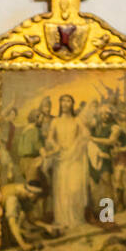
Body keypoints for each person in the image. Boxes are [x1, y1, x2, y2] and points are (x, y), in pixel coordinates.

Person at [42, 93, 89, 231]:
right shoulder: (55, 121)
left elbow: (86, 135)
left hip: (75, 158)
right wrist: (55, 145)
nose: (65, 104)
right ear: (60, 104)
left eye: (68, 101)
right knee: (62, 189)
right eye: (63, 101)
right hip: (61, 158)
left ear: (72, 104)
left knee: (74, 188)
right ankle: (63, 220)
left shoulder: (77, 120)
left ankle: (76, 219)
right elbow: (49, 138)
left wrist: (76, 144)